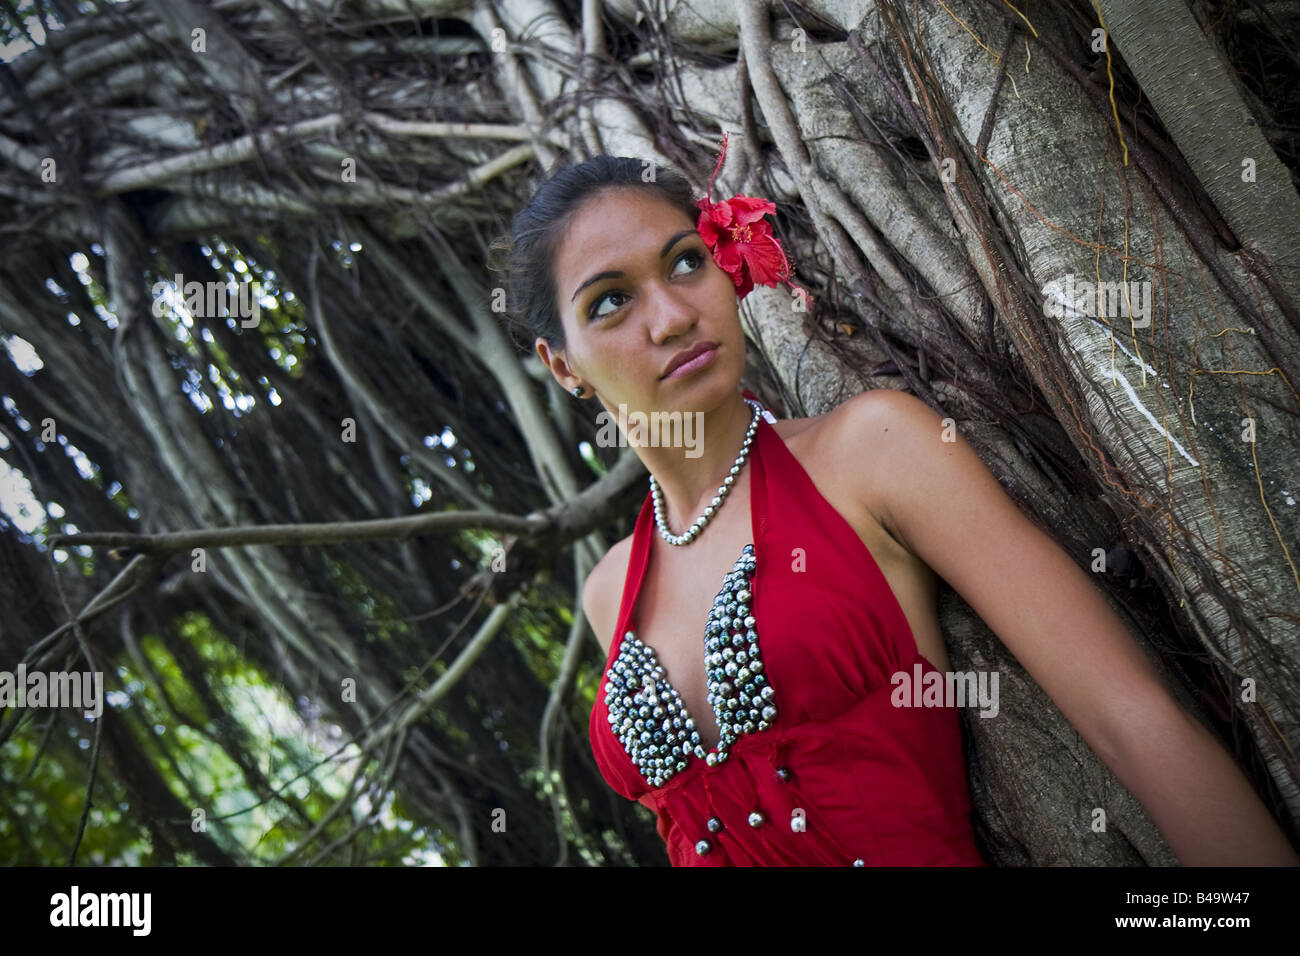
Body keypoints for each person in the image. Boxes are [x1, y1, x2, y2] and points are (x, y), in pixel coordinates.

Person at [493, 145, 1300, 867]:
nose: (670, 317)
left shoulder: (870, 452)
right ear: (562, 366)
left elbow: (1133, 719)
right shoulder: (608, 591)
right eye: (609, 302)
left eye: (684, 263)